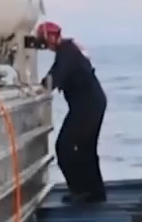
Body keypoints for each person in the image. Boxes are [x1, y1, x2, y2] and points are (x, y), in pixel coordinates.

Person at [37, 21, 107, 205]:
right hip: (92, 102)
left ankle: (80, 190)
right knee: (86, 148)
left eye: (43, 40)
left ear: (50, 38)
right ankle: (95, 192)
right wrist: (45, 83)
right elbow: (55, 73)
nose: (44, 44)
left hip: (87, 105)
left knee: (64, 146)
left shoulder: (67, 52)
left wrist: (42, 87)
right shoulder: (68, 50)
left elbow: (57, 75)